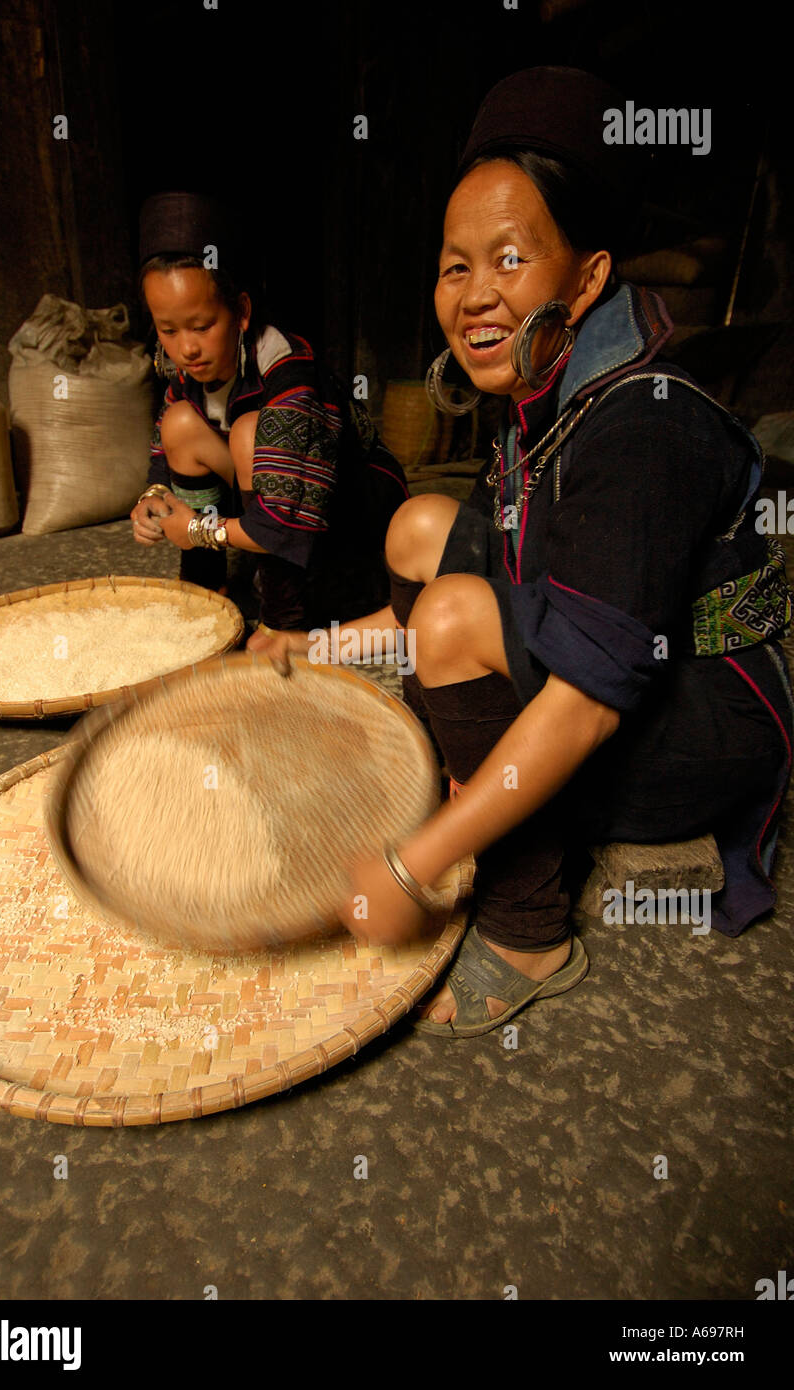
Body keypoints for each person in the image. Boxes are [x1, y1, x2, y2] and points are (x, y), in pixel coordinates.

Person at [256, 67, 793, 1036]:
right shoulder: (537, 401)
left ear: (587, 279)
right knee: (420, 528)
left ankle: (530, 927)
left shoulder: (645, 425)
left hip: (703, 718)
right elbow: (433, 590)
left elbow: (584, 709)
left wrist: (412, 865)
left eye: (510, 259)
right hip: (619, 677)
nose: (474, 296)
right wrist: (309, 647)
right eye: (457, 265)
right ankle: (469, 761)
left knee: (461, 623)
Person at [130, 192, 408, 635]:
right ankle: (207, 585)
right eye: (169, 329)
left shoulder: (289, 370)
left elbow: (282, 523)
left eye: (202, 326)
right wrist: (152, 498)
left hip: (351, 512)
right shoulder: (187, 372)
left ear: (240, 312)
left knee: (246, 430)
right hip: (277, 502)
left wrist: (201, 530)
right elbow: (164, 456)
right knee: (179, 423)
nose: (187, 347)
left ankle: (285, 620)